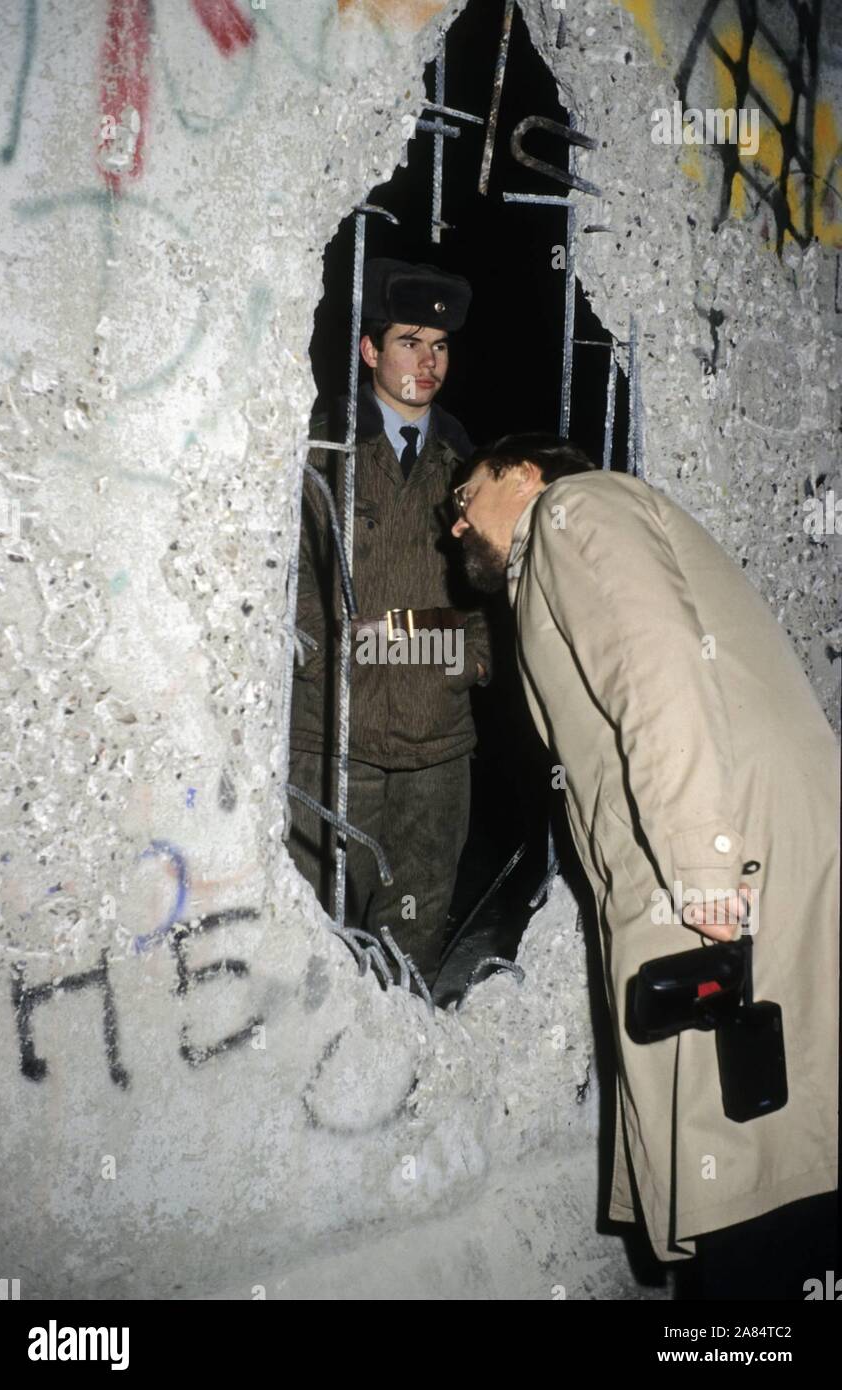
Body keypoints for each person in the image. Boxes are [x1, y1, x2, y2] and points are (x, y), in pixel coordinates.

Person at [450, 432, 839, 1298]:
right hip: (746, 851)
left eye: (465, 496)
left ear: (524, 473)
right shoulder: (591, 529)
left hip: (722, 867)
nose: (456, 525)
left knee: (744, 1151)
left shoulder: (572, 511)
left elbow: (658, 668)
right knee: (779, 1136)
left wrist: (702, 865)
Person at [287, 259, 491, 988]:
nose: (427, 361)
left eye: (440, 345)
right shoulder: (322, 449)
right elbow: (290, 580)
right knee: (315, 935)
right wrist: (331, 656)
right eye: (409, 341)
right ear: (371, 350)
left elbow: (502, 588)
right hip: (335, 739)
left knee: (412, 936)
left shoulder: (472, 463)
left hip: (436, 747)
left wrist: (471, 659)